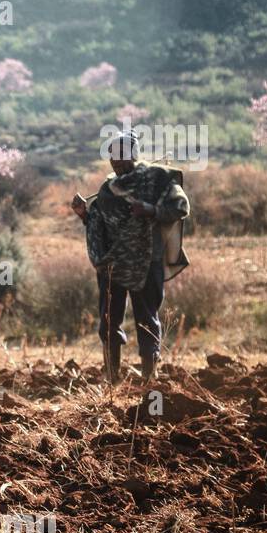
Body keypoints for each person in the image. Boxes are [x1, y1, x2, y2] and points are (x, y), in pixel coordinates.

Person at [73, 131, 190, 383]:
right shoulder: (107, 190)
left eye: (122, 156)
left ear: (134, 155)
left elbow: (181, 207)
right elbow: (99, 223)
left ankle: (149, 378)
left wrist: (151, 210)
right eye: (113, 158)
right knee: (108, 322)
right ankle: (112, 379)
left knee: (146, 319)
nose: (117, 162)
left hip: (147, 261)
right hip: (112, 265)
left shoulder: (157, 180)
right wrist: (84, 214)